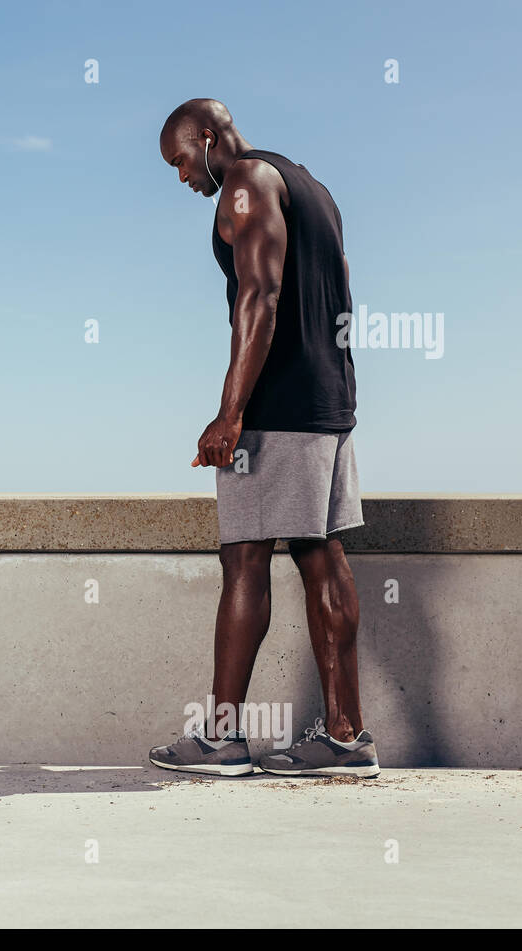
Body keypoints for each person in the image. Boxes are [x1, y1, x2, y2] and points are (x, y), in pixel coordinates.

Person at [149, 98, 379, 778]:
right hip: (331, 401)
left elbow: (261, 294)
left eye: (181, 160)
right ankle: (346, 736)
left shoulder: (246, 184)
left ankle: (221, 738)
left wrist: (230, 412)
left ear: (207, 137)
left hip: (274, 407)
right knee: (322, 554)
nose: (182, 177)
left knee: (244, 558)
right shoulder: (313, 187)